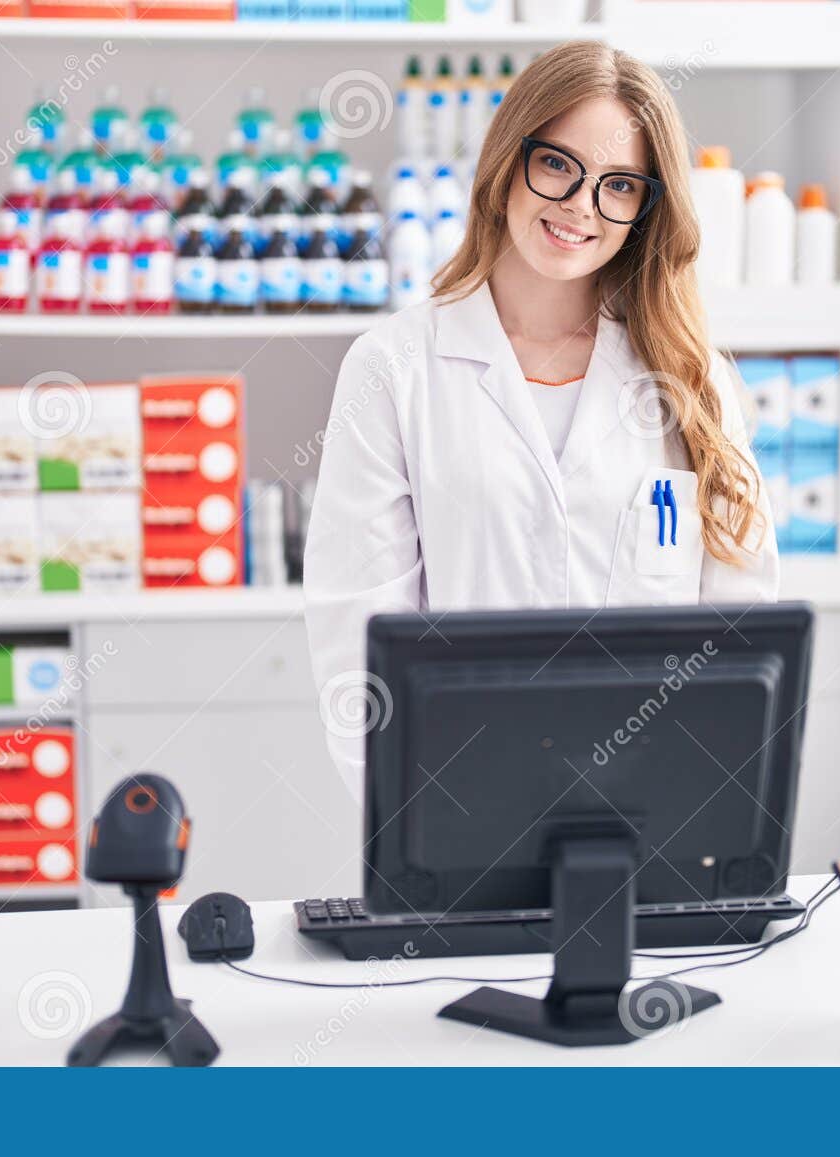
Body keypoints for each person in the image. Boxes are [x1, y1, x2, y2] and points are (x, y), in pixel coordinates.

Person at [304, 40, 779, 798]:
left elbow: (742, 634)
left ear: (646, 208)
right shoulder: (394, 367)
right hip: (457, 807)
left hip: (654, 814)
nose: (581, 207)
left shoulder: (694, 380)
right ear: (506, 161)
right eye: (557, 164)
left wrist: (697, 815)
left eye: (619, 185)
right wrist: (413, 823)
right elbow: (357, 643)